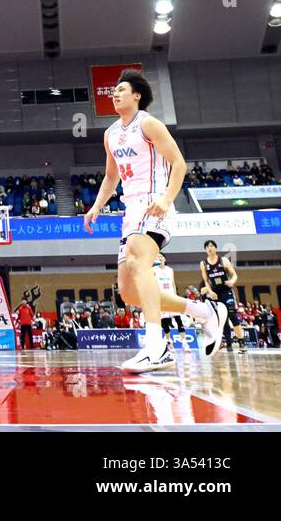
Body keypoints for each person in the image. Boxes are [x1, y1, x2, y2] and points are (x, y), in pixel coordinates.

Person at [84, 69, 226, 372]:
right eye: (114, 91)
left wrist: (165, 198)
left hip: (153, 204)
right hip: (129, 208)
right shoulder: (110, 134)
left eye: (121, 89)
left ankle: (156, 344)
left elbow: (179, 163)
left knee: (138, 263)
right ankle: (204, 311)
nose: (115, 93)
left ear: (137, 96)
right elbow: (111, 177)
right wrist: (96, 206)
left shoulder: (148, 123)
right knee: (128, 292)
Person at [200, 240, 247, 355]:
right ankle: (220, 343)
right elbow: (206, 281)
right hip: (215, 294)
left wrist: (232, 281)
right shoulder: (203, 263)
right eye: (207, 247)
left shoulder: (223, 260)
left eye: (211, 246)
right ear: (205, 250)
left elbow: (234, 275)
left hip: (226, 291)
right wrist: (210, 291)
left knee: (232, 316)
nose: (209, 248)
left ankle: (242, 342)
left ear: (215, 248)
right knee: (219, 319)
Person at [153, 254, 186, 344]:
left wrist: (175, 295)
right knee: (165, 323)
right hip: (162, 299)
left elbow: (173, 284)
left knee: (178, 319)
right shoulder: (154, 270)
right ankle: (168, 341)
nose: (159, 258)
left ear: (164, 259)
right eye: (157, 257)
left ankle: (184, 342)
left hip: (172, 298)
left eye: (161, 257)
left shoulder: (170, 270)